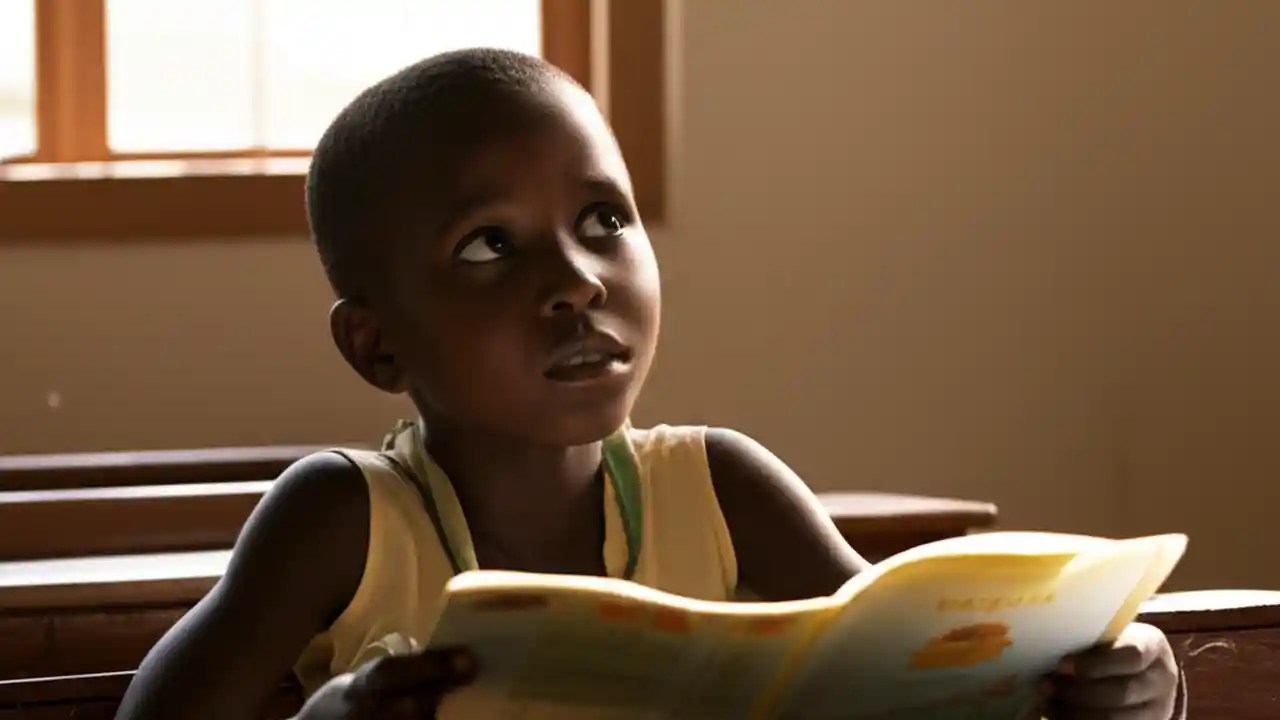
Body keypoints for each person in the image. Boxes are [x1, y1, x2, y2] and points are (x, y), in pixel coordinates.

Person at [115, 48, 1183, 720]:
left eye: (602, 222)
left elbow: (915, 681)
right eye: (490, 247)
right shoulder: (340, 520)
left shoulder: (720, 487)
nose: (574, 284)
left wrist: (1128, 683)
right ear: (376, 346)